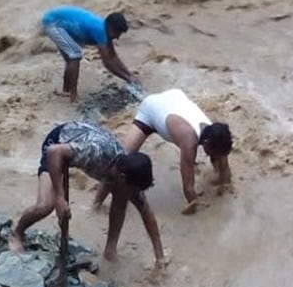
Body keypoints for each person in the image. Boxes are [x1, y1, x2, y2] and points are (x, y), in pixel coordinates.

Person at [9, 120, 166, 267]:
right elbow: (54, 152)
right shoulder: (95, 154)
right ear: (122, 177)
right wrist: (59, 197)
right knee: (46, 205)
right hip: (58, 142)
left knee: (121, 199)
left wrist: (160, 257)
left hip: (81, 144)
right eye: (132, 189)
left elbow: (146, 212)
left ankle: (110, 250)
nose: (134, 193)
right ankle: (16, 233)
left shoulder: (127, 173)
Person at [94, 88, 233, 214]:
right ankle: (96, 204)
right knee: (119, 162)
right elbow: (188, 189)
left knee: (218, 157)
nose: (217, 155)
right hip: (151, 110)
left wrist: (225, 188)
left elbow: (225, 171)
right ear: (207, 143)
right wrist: (202, 213)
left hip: (174, 99)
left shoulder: (216, 134)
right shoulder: (188, 140)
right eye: (214, 152)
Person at [41, 6, 136, 102]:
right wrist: (127, 78)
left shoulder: (104, 29)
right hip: (53, 23)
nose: (117, 37)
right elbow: (107, 62)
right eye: (117, 33)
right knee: (75, 55)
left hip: (59, 22)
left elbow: (113, 56)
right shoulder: (99, 31)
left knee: (71, 58)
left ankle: (66, 91)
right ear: (110, 28)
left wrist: (130, 76)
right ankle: (73, 96)